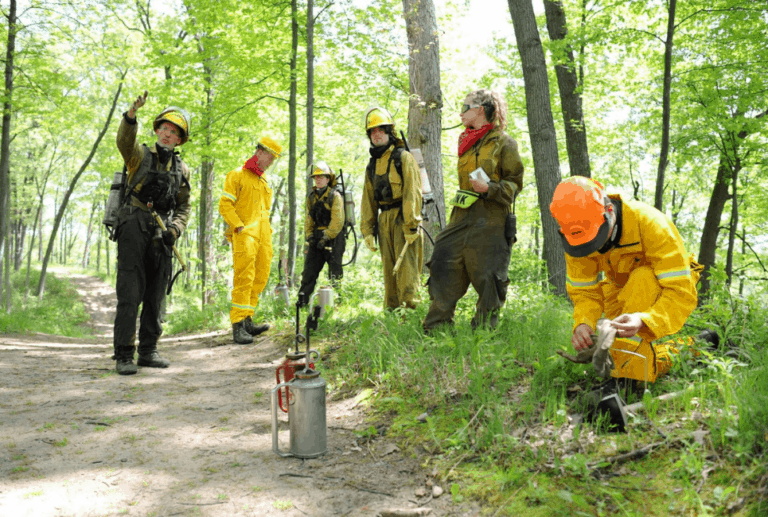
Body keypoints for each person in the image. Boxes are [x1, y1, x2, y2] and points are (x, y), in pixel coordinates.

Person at [549, 176, 703, 383]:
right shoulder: (577, 239)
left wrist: (643, 320)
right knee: (620, 352)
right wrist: (583, 324)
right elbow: (585, 293)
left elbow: (680, 292)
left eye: (596, 237)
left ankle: (629, 382)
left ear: (609, 211)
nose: (592, 248)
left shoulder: (651, 223)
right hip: (619, 286)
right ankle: (696, 345)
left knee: (642, 281)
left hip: (667, 284)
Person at [423, 89, 524, 331]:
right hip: (461, 214)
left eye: (465, 106)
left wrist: (490, 188)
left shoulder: (504, 142)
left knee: (489, 277)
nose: (460, 111)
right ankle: (437, 329)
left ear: (480, 110)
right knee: (442, 261)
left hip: (491, 218)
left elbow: (515, 184)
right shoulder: (466, 143)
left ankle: (482, 333)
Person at [114, 91, 192, 375]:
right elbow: (124, 141)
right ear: (157, 130)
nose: (167, 135)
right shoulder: (139, 155)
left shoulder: (182, 169)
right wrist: (131, 115)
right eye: (164, 129)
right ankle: (124, 354)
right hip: (133, 226)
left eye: (174, 132)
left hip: (162, 235)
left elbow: (184, 207)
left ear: (180, 139)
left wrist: (175, 229)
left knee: (156, 294)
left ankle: (148, 351)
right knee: (130, 292)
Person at [219, 137, 282, 344]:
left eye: (274, 158)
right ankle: (237, 325)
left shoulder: (263, 181)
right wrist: (237, 226)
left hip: (263, 236)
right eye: (270, 157)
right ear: (260, 152)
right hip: (245, 234)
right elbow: (225, 204)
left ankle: (248, 320)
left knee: (260, 277)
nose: (271, 162)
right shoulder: (236, 175)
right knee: (244, 277)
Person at [359, 107, 423, 310]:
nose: (376, 134)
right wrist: (367, 231)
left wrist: (411, 225)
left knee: (407, 272)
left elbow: (413, 192)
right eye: (372, 132)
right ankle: (393, 317)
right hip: (383, 221)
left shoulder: (403, 157)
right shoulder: (372, 165)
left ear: (389, 131)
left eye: (380, 130)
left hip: (404, 220)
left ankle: (411, 317)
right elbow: (367, 201)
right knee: (390, 273)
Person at [297, 161, 346, 307]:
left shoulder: (335, 196)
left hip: (334, 238)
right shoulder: (311, 197)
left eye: (321, 177)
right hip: (316, 239)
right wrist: (310, 236)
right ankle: (302, 304)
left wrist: (326, 237)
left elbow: (338, 220)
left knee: (335, 273)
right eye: (316, 177)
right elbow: (308, 219)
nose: (318, 179)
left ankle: (337, 305)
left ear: (328, 179)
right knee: (308, 272)